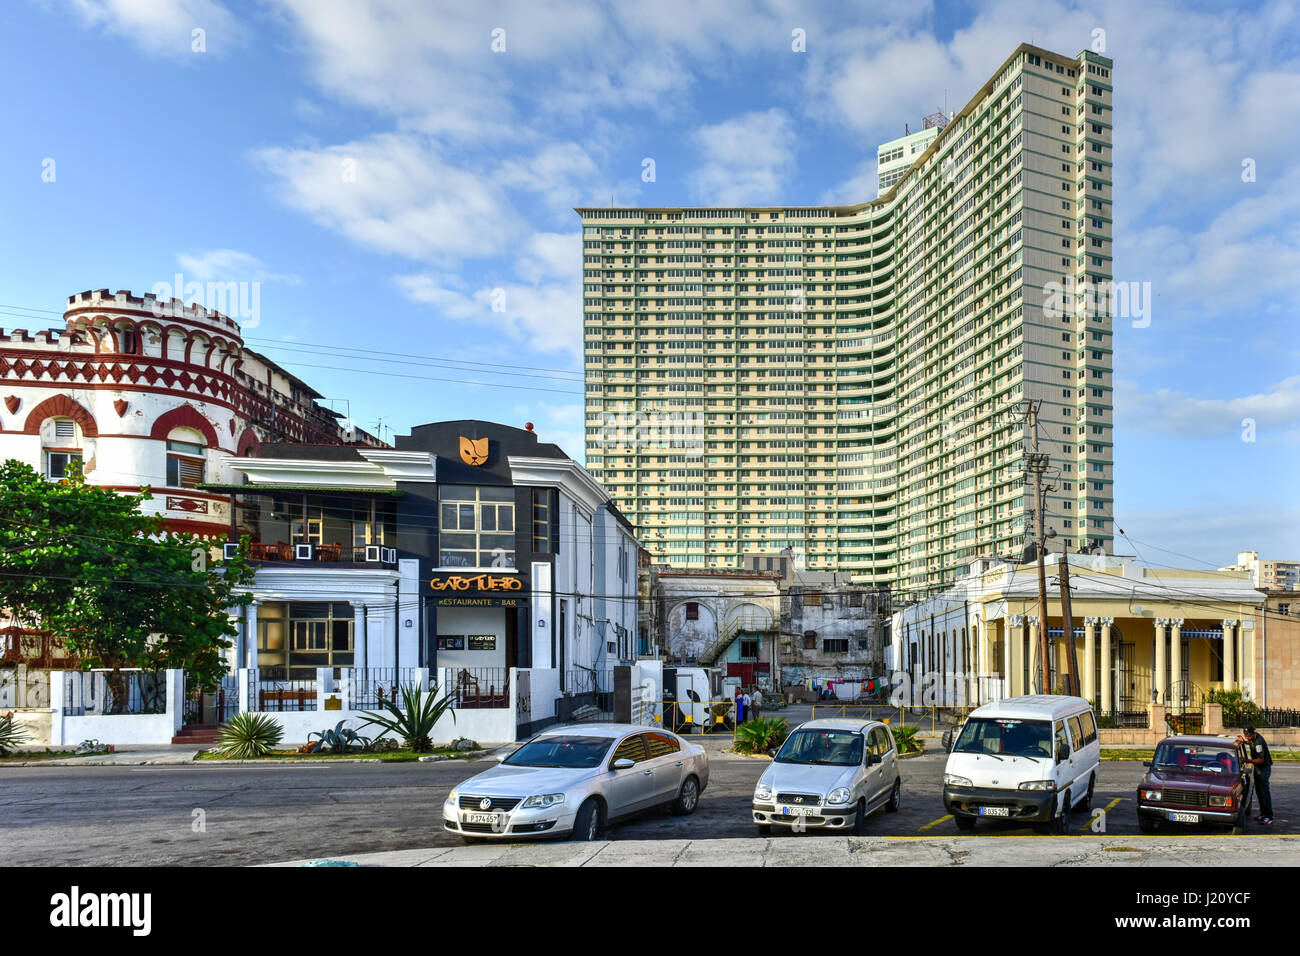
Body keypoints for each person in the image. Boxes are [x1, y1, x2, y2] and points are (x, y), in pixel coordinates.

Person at [1237, 725, 1273, 824]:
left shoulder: (1259, 742)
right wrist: (1244, 741)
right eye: (1246, 735)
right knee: (1259, 792)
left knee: (1264, 792)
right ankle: (1263, 813)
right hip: (1258, 768)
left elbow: (1261, 760)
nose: (1247, 737)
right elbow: (1250, 742)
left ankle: (1269, 816)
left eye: (1248, 736)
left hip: (1263, 769)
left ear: (1253, 733)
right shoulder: (1253, 739)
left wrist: (1247, 760)